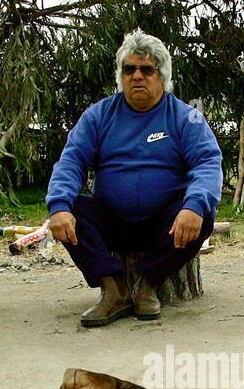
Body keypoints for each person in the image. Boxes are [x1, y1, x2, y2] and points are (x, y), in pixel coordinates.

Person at [46, 31, 223, 325]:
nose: (137, 76)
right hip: (112, 221)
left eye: (146, 69)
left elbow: (207, 162)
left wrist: (193, 205)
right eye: (129, 69)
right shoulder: (98, 115)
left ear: (162, 76)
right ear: (121, 75)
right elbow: (72, 160)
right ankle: (113, 288)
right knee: (69, 209)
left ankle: (149, 284)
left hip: (164, 225)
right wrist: (59, 206)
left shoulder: (186, 117)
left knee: (203, 213)